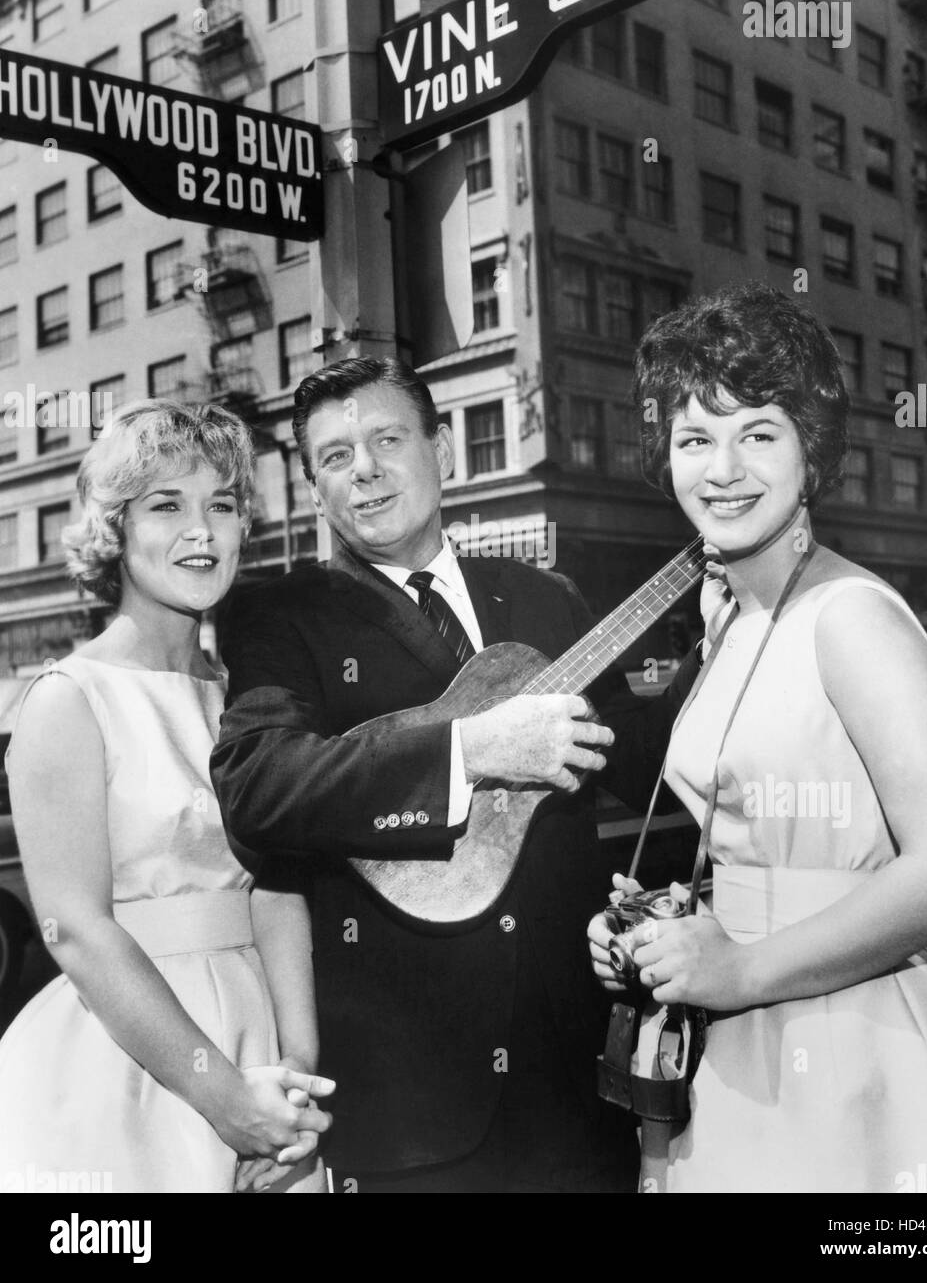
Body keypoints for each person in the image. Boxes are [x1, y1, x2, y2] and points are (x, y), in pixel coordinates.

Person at [210, 355, 695, 1193]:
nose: (362, 470)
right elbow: (258, 789)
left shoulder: (547, 600)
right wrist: (470, 751)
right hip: (408, 1099)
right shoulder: (280, 616)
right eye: (333, 457)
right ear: (315, 490)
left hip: (574, 1075)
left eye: (387, 439)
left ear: (443, 450)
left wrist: (725, 637)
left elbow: (651, 759)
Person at [589, 281, 927, 1192]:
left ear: (810, 453)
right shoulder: (733, 613)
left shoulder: (850, 616)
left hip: (853, 1051)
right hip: (737, 1052)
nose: (723, 468)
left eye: (759, 434)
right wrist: (663, 931)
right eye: (695, 438)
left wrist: (738, 970)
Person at [0, 400, 333, 1194]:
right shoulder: (66, 699)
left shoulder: (249, 699)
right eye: (166, 505)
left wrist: (294, 1082)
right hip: (130, 1064)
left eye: (221, 505)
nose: (201, 530)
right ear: (115, 530)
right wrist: (226, 1100)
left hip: (261, 1050)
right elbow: (75, 929)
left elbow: (276, 892)